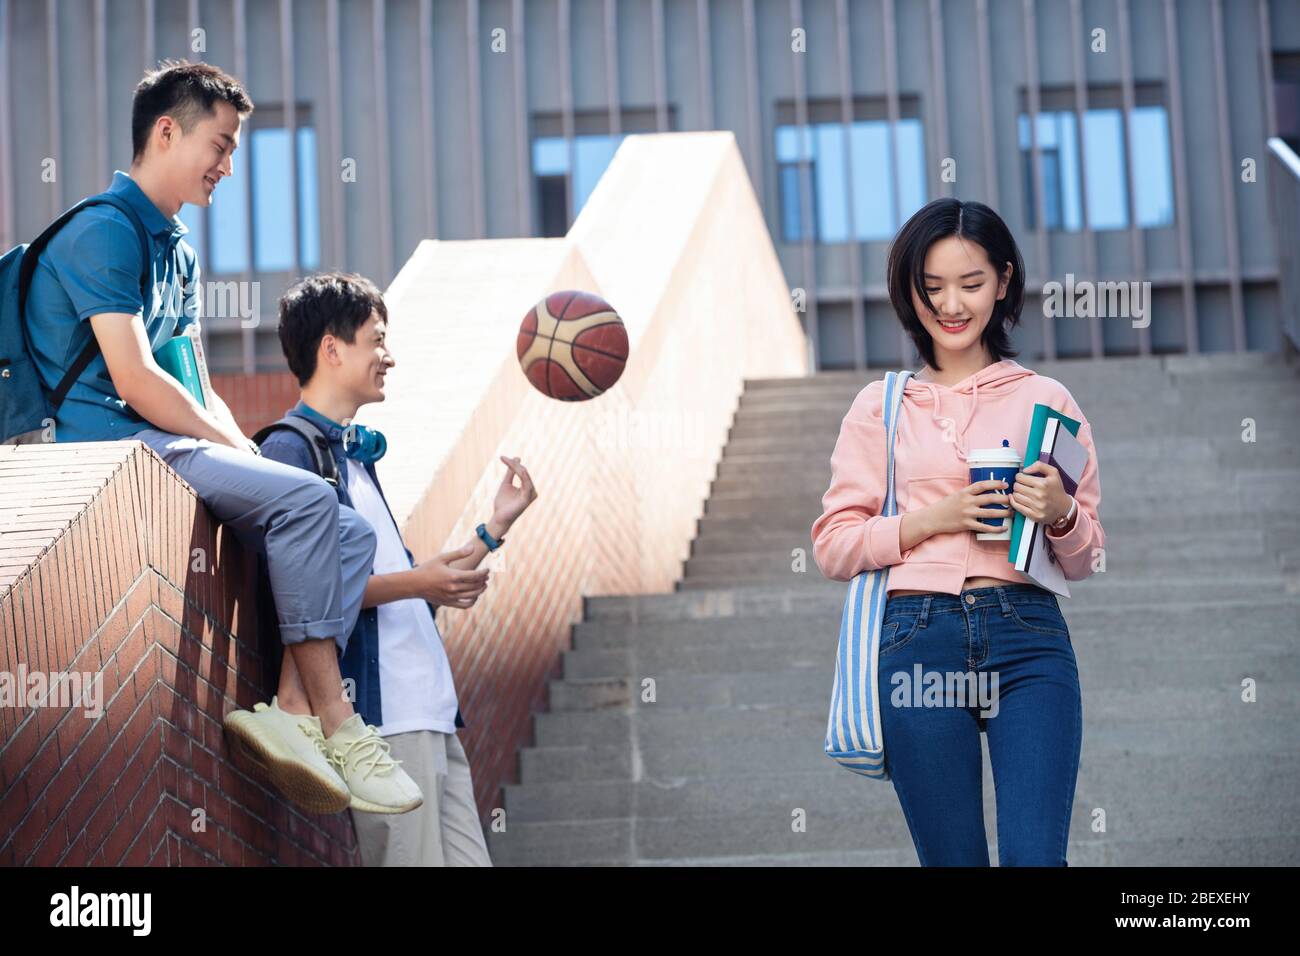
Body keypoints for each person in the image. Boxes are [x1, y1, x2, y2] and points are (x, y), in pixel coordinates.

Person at [24, 59, 419, 816]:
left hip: (173, 445)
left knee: (346, 532)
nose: (229, 166)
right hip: (117, 451)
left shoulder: (179, 251)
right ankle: (333, 719)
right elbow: (138, 380)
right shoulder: (103, 231)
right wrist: (238, 452)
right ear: (166, 132)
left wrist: (239, 445)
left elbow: (196, 382)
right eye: (222, 144)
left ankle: (290, 715)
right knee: (309, 506)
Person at [811, 198, 1106, 866]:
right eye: (932, 287)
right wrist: (928, 521)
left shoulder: (1048, 399)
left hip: (1028, 638)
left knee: (1037, 859)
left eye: (970, 284)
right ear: (909, 292)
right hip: (916, 637)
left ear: (1003, 282)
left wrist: (1059, 511)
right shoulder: (880, 407)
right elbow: (832, 543)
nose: (951, 304)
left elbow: (1086, 557)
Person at [257, 271, 539, 865]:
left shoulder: (354, 459)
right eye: (377, 340)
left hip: (429, 710)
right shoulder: (290, 450)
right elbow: (305, 597)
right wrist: (420, 582)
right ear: (332, 349)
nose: (389, 356)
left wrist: (494, 529)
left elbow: (408, 586)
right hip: (381, 721)